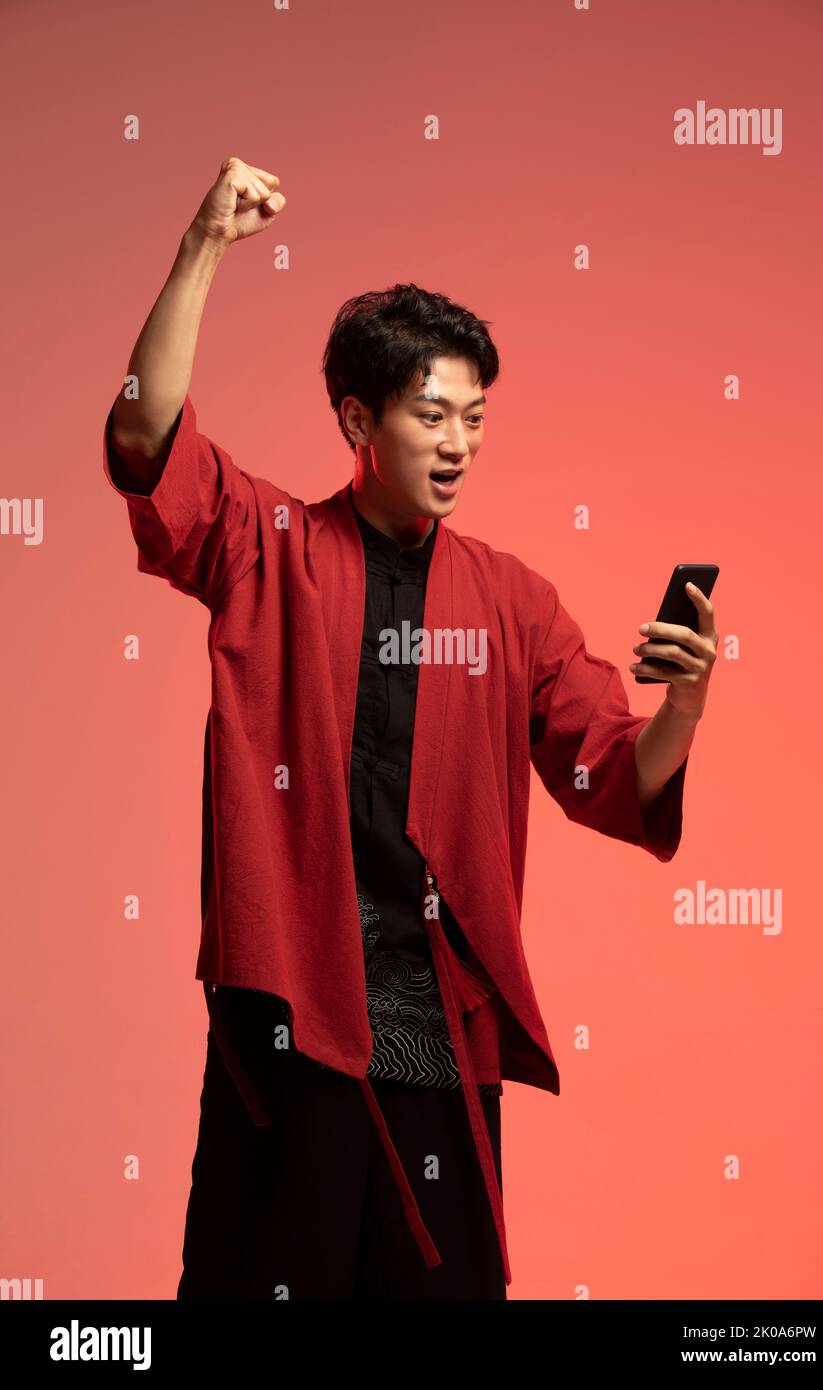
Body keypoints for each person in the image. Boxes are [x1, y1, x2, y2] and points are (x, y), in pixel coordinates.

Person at [102, 156, 717, 1301]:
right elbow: (147, 443)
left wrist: (679, 705)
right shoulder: (265, 545)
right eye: (429, 413)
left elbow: (607, 774)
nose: (457, 443)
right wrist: (200, 248)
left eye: (474, 418)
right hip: (294, 994)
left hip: (439, 1009)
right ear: (355, 417)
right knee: (266, 1276)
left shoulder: (512, 598)